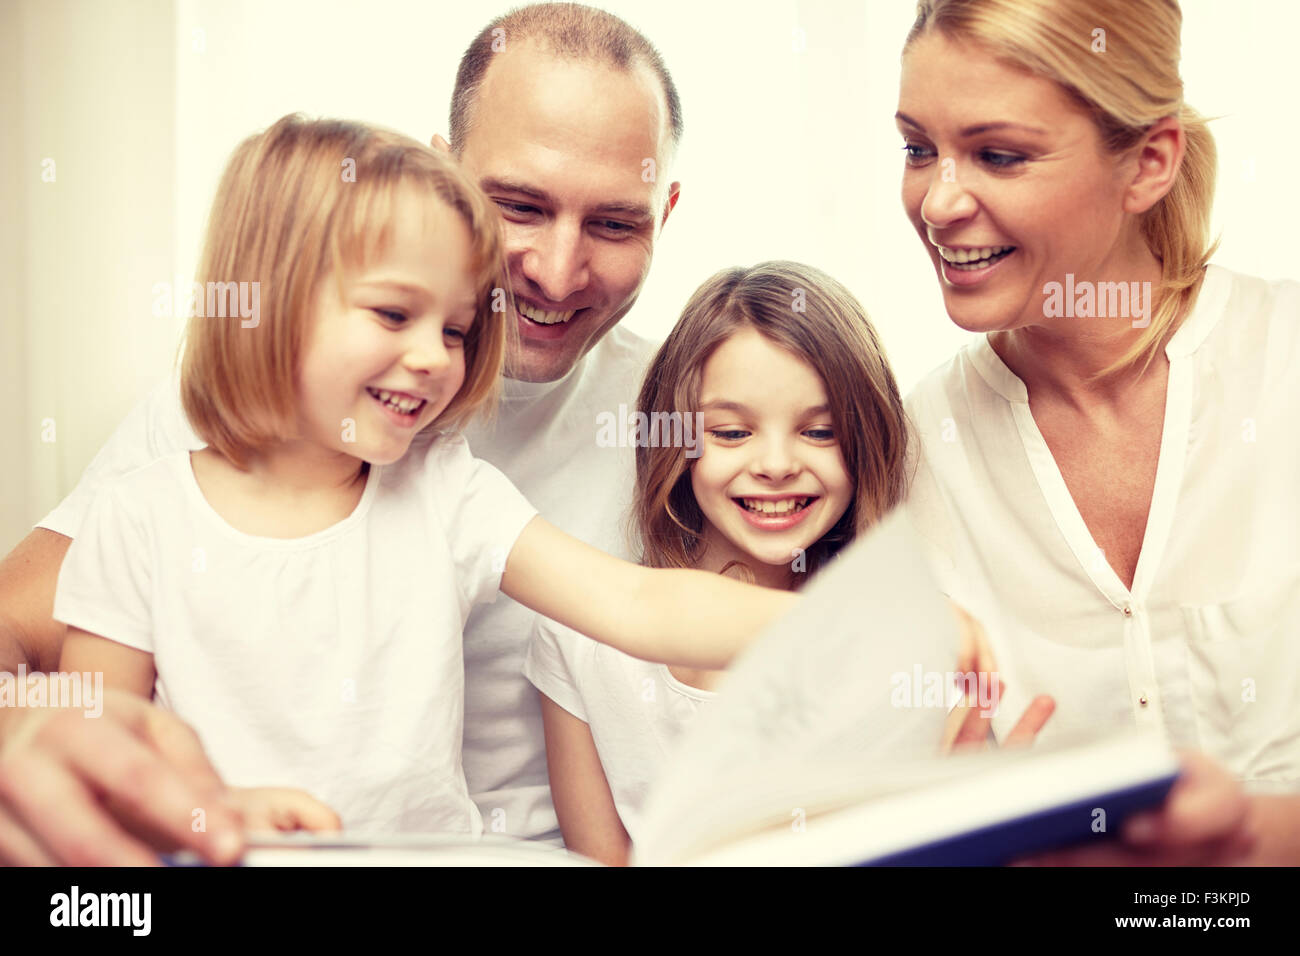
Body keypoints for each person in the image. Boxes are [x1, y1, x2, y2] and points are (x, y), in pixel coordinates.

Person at [0, 2, 682, 863]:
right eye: (519, 205)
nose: (555, 269)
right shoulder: (262, 409)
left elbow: (685, 624)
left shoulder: (693, 413)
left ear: (669, 209)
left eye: (616, 222)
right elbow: (27, 637)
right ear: (448, 177)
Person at [53, 113, 793, 843]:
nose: (438, 358)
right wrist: (212, 814)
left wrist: (847, 626)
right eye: (394, 313)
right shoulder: (137, 520)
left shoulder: (442, 490)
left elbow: (634, 604)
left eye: (455, 330)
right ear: (267, 302)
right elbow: (101, 759)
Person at [897, 0, 1300, 864]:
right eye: (917, 148)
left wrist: (1239, 843)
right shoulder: (910, 450)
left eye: (998, 155)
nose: (937, 201)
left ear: (1149, 162)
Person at [525, 261, 911, 864]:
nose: (777, 464)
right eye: (732, 433)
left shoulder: (901, 646)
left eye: (821, 432)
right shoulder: (579, 643)